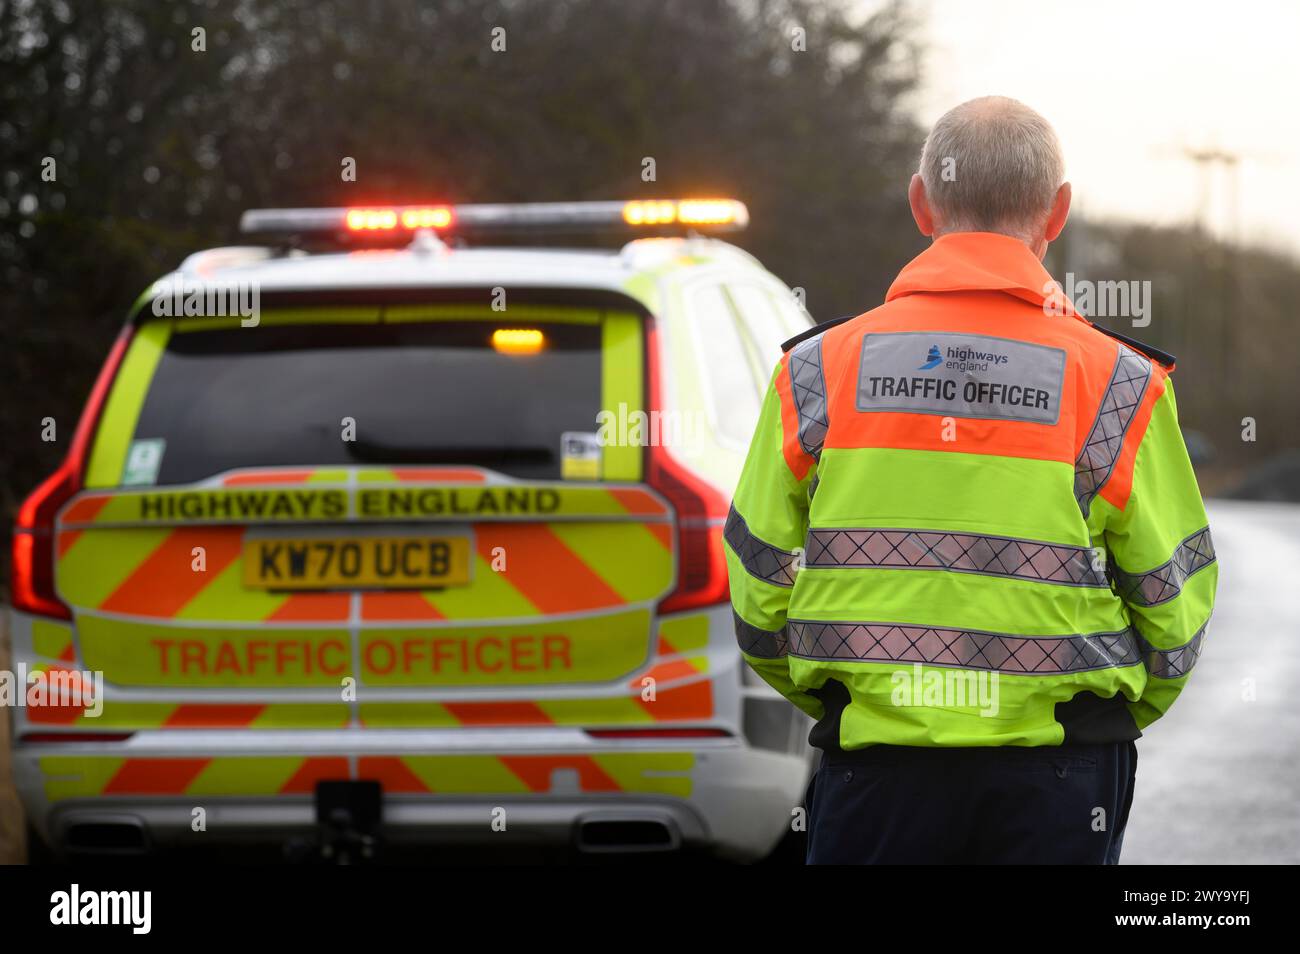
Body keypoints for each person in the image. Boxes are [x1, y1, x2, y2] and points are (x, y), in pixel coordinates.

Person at [725, 96, 1218, 864]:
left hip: (875, 770)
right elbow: (1174, 599)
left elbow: (757, 580)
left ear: (922, 203)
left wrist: (846, 699)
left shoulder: (816, 371)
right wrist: (1103, 718)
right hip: (1059, 777)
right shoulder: (1121, 383)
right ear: (1057, 213)